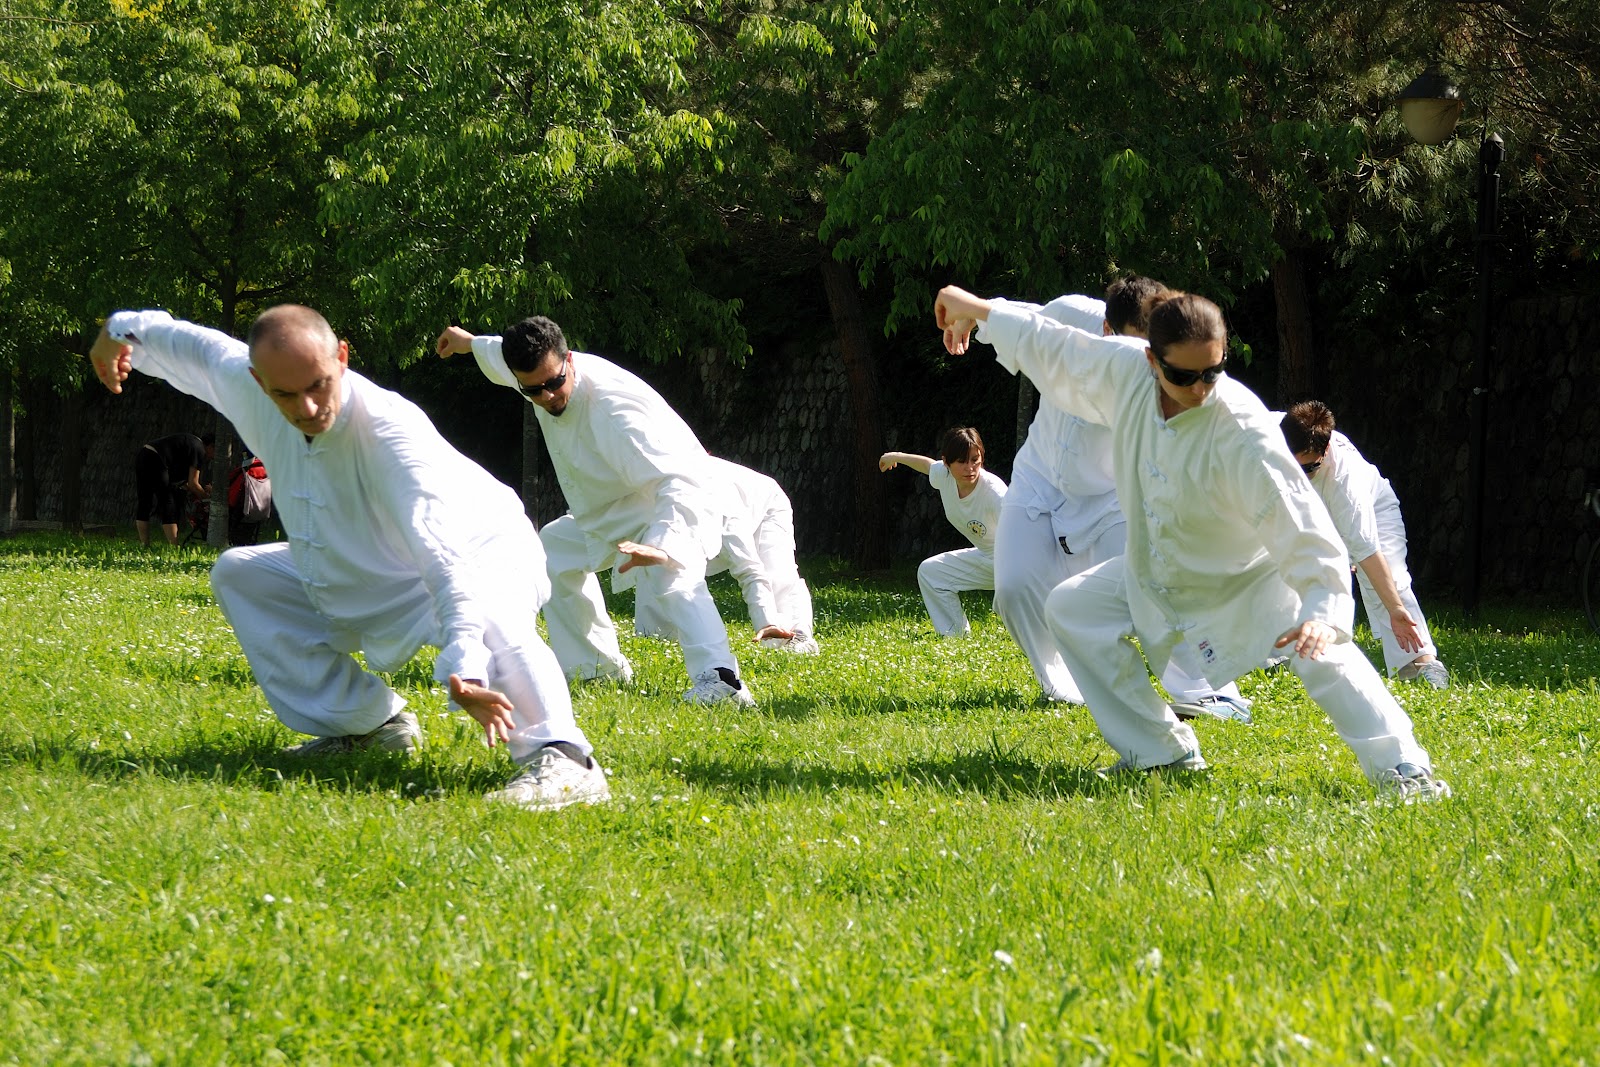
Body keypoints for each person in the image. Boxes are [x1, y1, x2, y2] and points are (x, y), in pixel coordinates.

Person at [933, 284, 1451, 801]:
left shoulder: (1242, 429)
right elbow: (1054, 347)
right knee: (1072, 608)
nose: (1202, 388)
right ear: (1151, 360)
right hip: (1156, 567)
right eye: (1185, 375)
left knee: (1319, 649)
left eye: (1213, 371)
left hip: (1243, 578)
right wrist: (973, 308)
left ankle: (1405, 767)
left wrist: (1324, 607)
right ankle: (1161, 751)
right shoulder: (1126, 372)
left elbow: (1304, 526)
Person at [90, 306, 609, 812]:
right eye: (285, 394)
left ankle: (563, 757)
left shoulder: (390, 434)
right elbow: (196, 348)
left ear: (341, 357)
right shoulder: (248, 381)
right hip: (361, 563)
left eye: (318, 385)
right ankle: (370, 728)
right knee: (241, 576)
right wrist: (120, 331)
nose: (307, 409)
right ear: (257, 379)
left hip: (478, 548)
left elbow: (445, 559)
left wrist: (464, 665)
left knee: (488, 607)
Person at [972, 276, 1251, 723]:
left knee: (1150, 590)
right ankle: (1060, 684)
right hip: (1039, 475)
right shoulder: (1070, 314)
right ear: (1106, 326)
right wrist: (971, 315)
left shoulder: (1168, 358)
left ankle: (1210, 691)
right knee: (1013, 587)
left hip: (1109, 495)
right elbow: (1020, 320)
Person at [435, 317, 755, 707]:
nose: (548, 396)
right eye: (533, 390)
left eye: (554, 383)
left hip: (675, 493)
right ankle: (595, 667)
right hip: (609, 504)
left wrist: (664, 543)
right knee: (552, 552)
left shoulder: (616, 411)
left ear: (569, 360)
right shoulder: (538, 374)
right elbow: (501, 355)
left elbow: (678, 480)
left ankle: (722, 682)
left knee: (671, 569)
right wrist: (467, 343)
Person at [1281, 402, 1450, 689]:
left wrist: (1395, 608)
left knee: (1389, 580)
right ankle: (1279, 652)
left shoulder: (1346, 485)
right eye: (1291, 465)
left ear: (1326, 450)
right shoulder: (1269, 432)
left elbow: (1368, 554)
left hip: (1374, 509)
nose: (1300, 474)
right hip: (1312, 514)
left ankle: (1420, 662)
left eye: (1308, 467)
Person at [634, 456, 820, 655]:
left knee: (777, 573)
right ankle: (656, 637)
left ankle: (799, 636)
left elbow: (748, 567)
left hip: (767, 504)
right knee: (657, 559)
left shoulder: (722, 509)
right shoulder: (657, 492)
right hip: (706, 504)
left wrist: (765, 620)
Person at [879, 426, 1007, 639]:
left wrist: (1008, 587)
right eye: (962, 462)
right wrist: (897, 457)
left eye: (975, 460)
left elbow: (1022, 538)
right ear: (947, 462)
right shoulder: (944, 476)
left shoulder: (995, 493)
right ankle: (955, 635)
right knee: (931, 572)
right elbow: (928, 466)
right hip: (988, 558)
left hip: (1020, 561)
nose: (970, 468)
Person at [134, 431, 214, 546]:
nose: (212, 457)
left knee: (144, 502)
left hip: (143, 454)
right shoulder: (199, 449)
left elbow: (183, 482)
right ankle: (174, 547)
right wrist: (207, 500)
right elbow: (193, 484)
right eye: (215, 452)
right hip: (156, 459)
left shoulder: (191, 442)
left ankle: (144, 544)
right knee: (167, 503)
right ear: (211, 446)